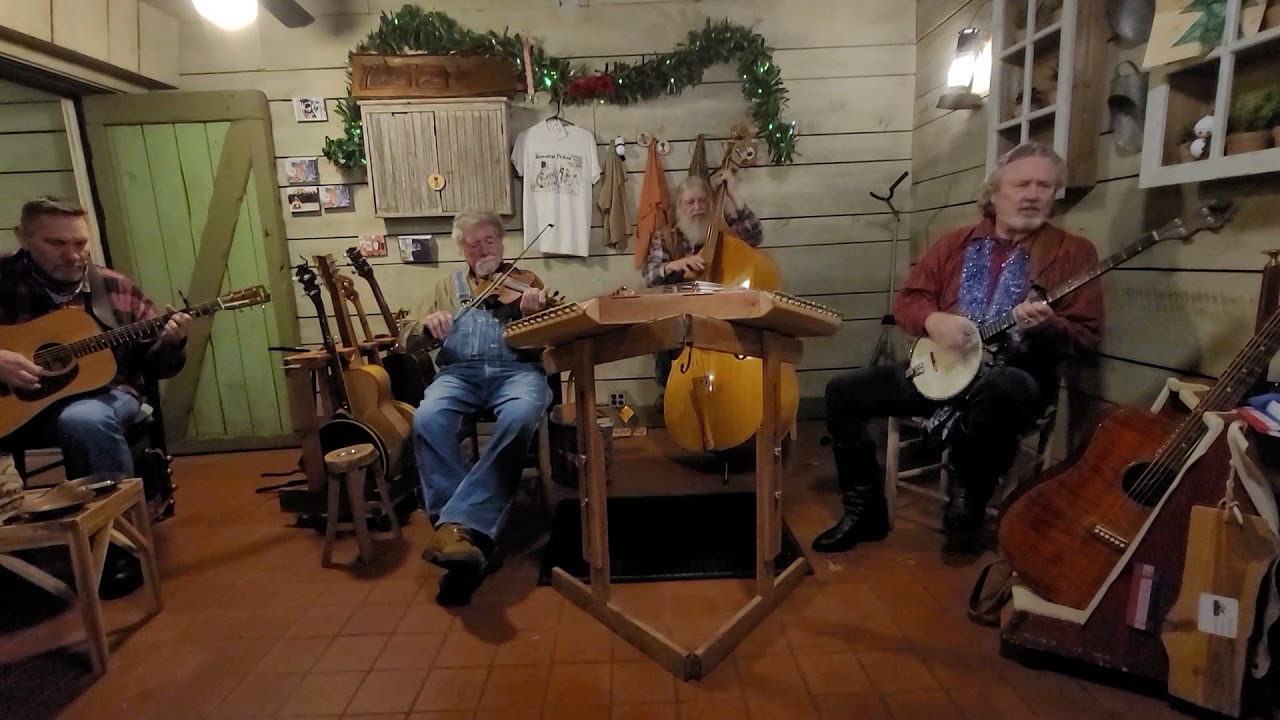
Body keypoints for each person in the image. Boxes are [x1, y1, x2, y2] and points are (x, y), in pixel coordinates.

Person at [813, 142, 1103, 554]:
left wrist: (1048, 327)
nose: (1034, 194)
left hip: (1016, 376)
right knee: (843, 392)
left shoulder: (1072, 253)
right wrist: (934, 320)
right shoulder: (954, 244)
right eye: (1022, 184)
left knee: (1003, 388)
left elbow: (1087, 337)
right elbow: (910, 302)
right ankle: (865, 513)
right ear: (995, 192)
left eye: (1045, 185)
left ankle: (968, 491)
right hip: (944, 367)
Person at [408, 210, 552, 605]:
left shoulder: (526, 284)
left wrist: (535, 314)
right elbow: (406, 336)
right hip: (460, 375)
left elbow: (555, 335)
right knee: (428, 416)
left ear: (502, 242)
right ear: (462, 250)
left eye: (489, 240)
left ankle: (458, 530)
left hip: (517, 371)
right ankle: (469, 536)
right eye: (473, 244)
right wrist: (427, 325)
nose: (483, 249)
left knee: (522, 415)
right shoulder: (444, 287)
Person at [0, 197, 191, 480]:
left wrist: (172, 343)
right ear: (24, 238)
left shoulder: (112, 287)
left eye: (80, 244)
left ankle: (114, 522)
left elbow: (154, 365)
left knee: (83, 420)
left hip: (105, 393)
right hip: (16, 406)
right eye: (57, 244)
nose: (73, 255)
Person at [641, 169, 764, 388]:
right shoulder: (667, 236)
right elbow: (649, 276)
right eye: (689, 203)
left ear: (710, 203)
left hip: (722, 312)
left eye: (702, 201)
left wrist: (734, 194)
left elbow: (755, 236)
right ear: (679, 206)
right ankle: (671, 391)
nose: (697, 207)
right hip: (682, 318)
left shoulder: (724, 229)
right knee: (664, 334)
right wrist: (674, 265)